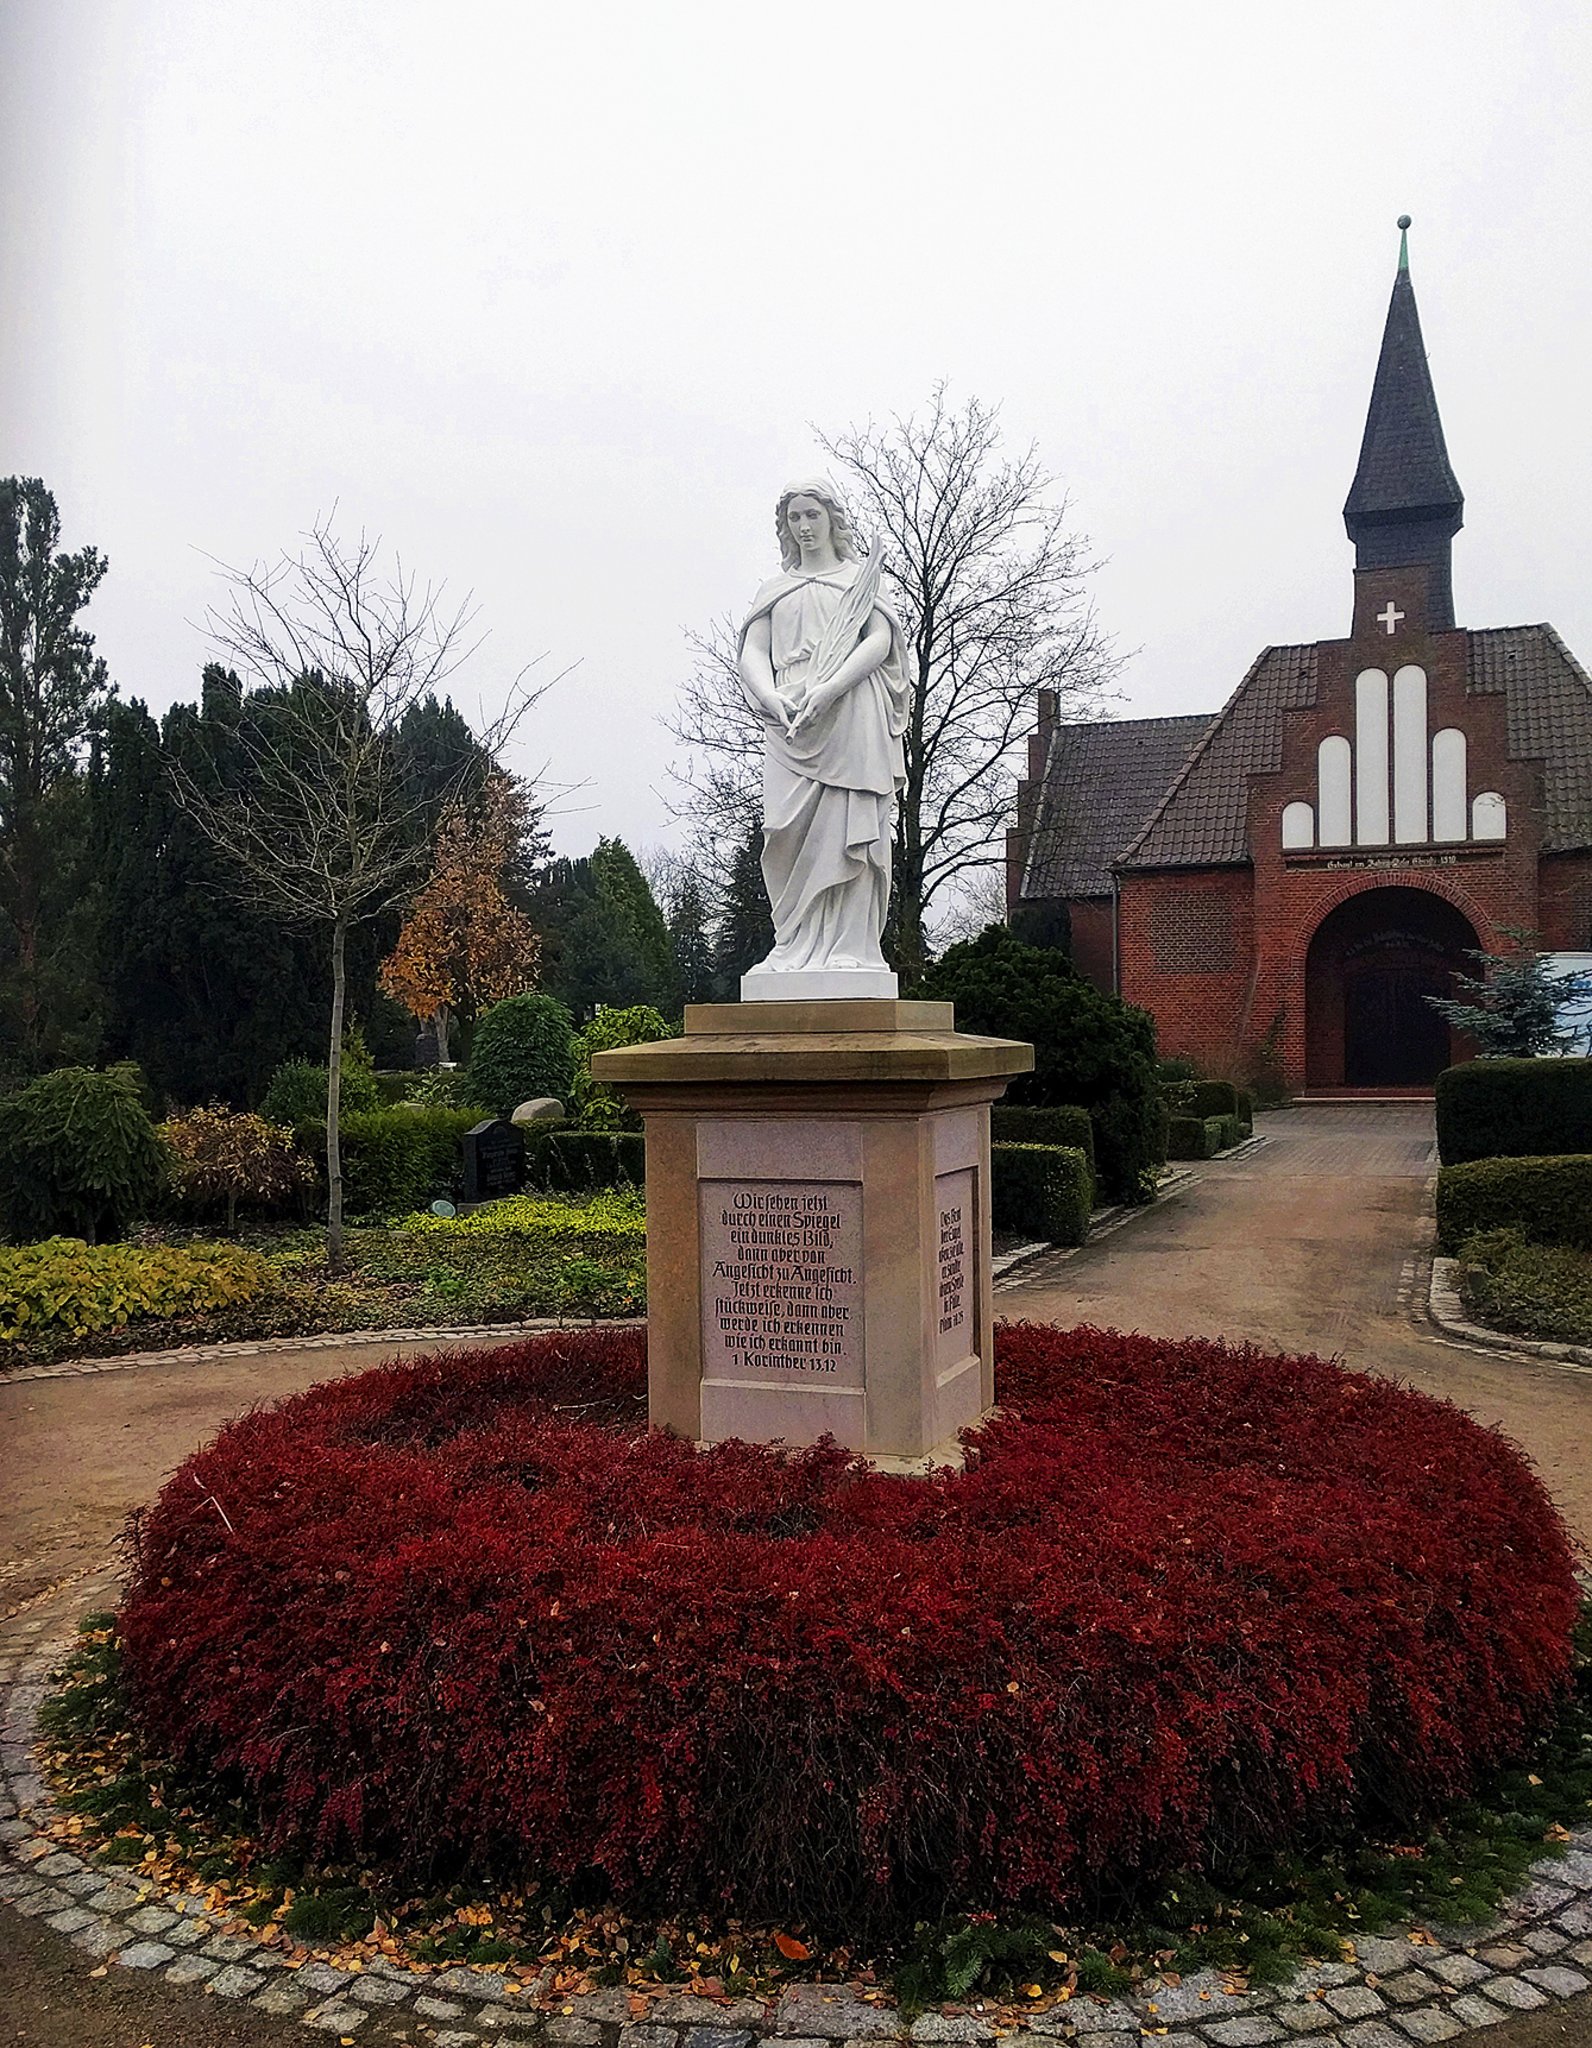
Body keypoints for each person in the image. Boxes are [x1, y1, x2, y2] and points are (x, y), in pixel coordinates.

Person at [736, 479, 910, 982]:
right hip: (790, 719)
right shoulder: (775, 589)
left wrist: (832, 688)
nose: (804, 526)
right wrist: (769, 696)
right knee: (783, 830)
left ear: (833, 518)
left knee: (850, 824)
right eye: (794, 517)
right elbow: (753, 651)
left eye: (812, 514)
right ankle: (792, 943)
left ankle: (852, 946)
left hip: (850, 707)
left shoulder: (859, 581)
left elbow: (879, 640)